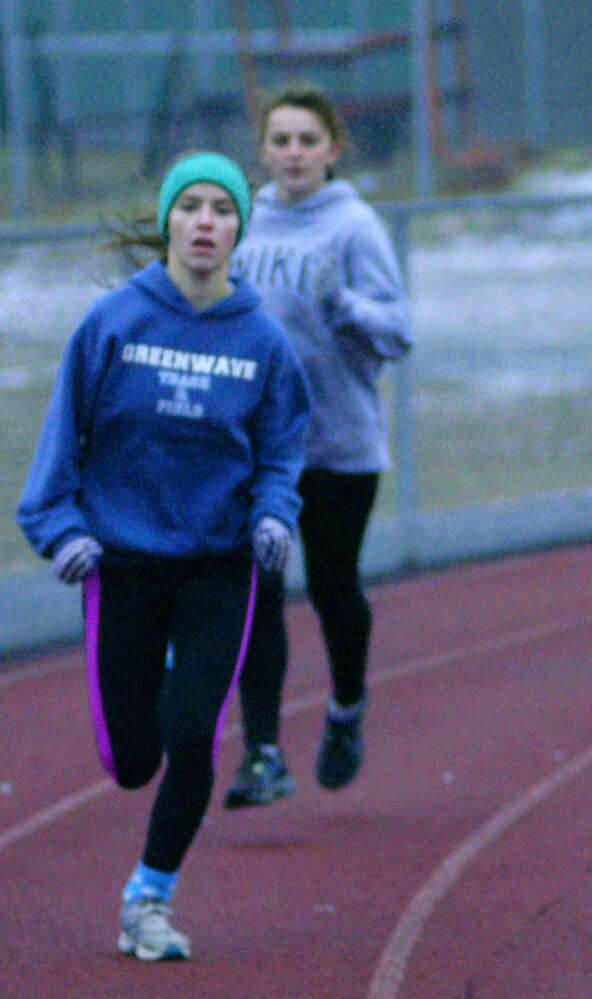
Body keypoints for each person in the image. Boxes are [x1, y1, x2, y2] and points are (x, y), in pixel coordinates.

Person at [16, 152, 310, 960]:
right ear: (170, 221)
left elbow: (283, 450)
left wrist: (276, 515)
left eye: (223, 208)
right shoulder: (113, 322)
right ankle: (145, 746)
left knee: (193, 735)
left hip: (221, 563)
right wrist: (61, 529)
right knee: (131, 759)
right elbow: (61, 441)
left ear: (240, 227)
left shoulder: (263, 341)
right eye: (193, 207)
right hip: (125, 562)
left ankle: (149, 896)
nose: (207, 221)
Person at [223, 85, 413, 808]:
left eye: (308, 140)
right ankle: (263, 751)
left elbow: (398, 332)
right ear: (263, 149)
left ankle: (345, 708)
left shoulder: (355, 226)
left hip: (338, 442)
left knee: (332, 586)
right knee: (256, 590)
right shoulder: (244, 221)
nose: (293, 154)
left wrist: (344, 306)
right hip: (257, 448)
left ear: (333, 148)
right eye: (281, 140)